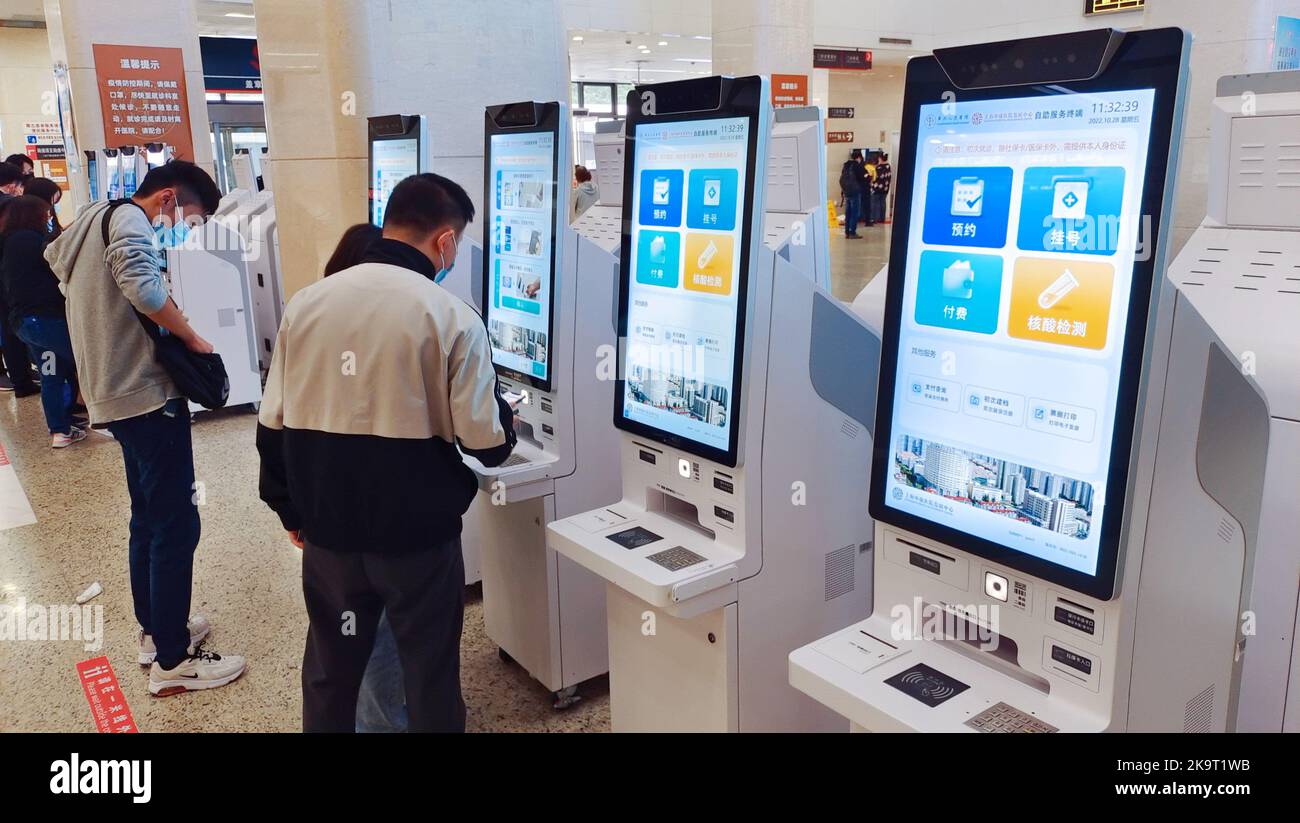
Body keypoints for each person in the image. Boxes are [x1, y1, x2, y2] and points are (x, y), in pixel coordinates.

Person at [257, 172, 518, 733]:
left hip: (329, 531)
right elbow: (484, 439)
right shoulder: (449, 316)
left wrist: (290, 510)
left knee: (331, 667)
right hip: (416, 537)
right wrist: (507, 424)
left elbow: (271, 421)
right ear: (445, 240)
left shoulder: (307, 303)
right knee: (428, 670)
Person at [44, 160, 245, 695]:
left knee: (148, 518)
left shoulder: (92, 217)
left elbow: (63, 269)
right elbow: (143, 289)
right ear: (170, 198)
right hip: (146, 394)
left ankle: (157, 633)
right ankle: (174, 665)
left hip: (112, 390)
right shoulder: (132, 220)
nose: (180, 226)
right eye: (187, 216)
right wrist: (193, 337)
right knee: (177, 525)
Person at [0, 196, 83, 447]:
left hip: (26, 323)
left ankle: (60, 430)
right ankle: (105, 417)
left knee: (51, 373)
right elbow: (60, 267)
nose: (49, 217)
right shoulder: (32, 241)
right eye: (46, 213)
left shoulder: (11, 241)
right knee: (84, 364)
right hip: (46, 321)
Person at [0, 163, 39, 397]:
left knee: (7, 329)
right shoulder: (10, 206)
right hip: (8, 278)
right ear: (12, 185)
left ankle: (20, 379)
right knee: (13, 328)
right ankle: (23, 382)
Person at [839, 149, 868, 239]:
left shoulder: (846, 166)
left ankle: (847, 232)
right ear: (859, 157)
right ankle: (852, 232)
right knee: (855, 213)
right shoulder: (857, 166)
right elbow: (863, 177)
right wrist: (867, 177)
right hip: (855, 192)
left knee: (848, 212)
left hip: (847, 192)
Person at [871, 153, 892, 225]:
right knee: (882, 202)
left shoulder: (879, 167)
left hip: (877, 188)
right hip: (885, 188)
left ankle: (874, 218)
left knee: (875, 203)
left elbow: (876, 177)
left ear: (880, 158)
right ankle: (882, 218)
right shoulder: (888, 166)